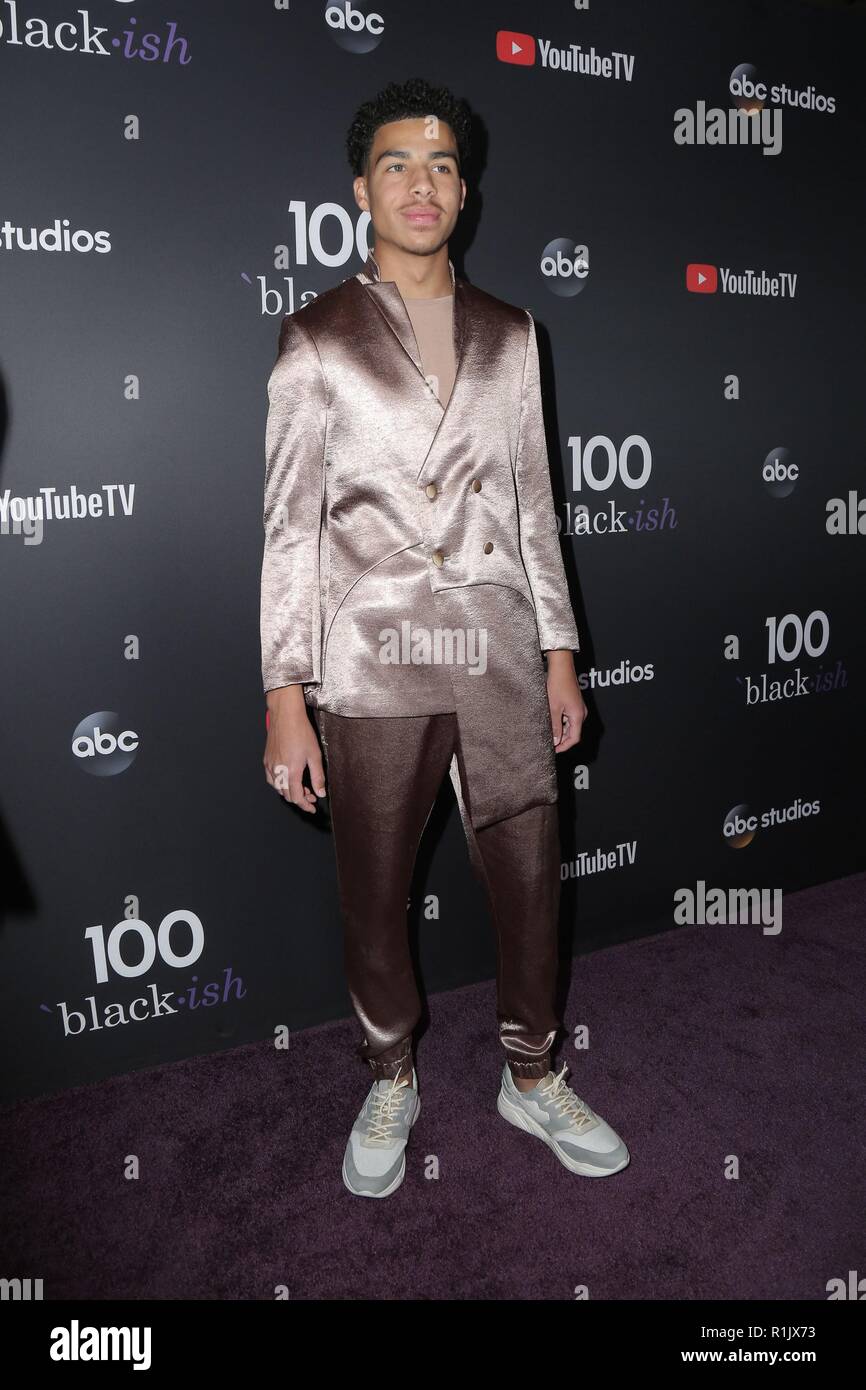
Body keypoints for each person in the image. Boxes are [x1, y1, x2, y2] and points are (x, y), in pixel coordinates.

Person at [261, 77, 629, 1197]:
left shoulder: (516, 334)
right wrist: (286, 689)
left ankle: (531, 1069)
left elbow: (532, 507)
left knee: (529, 874)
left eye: (438, 166)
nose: (418, 184)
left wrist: (559, 653)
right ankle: (389, 1072)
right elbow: (289, 529)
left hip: (502, 654)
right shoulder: (315, 338)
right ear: (359, 189)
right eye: (394, 165)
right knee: (373, 886)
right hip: (370, 665)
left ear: (462, 191)